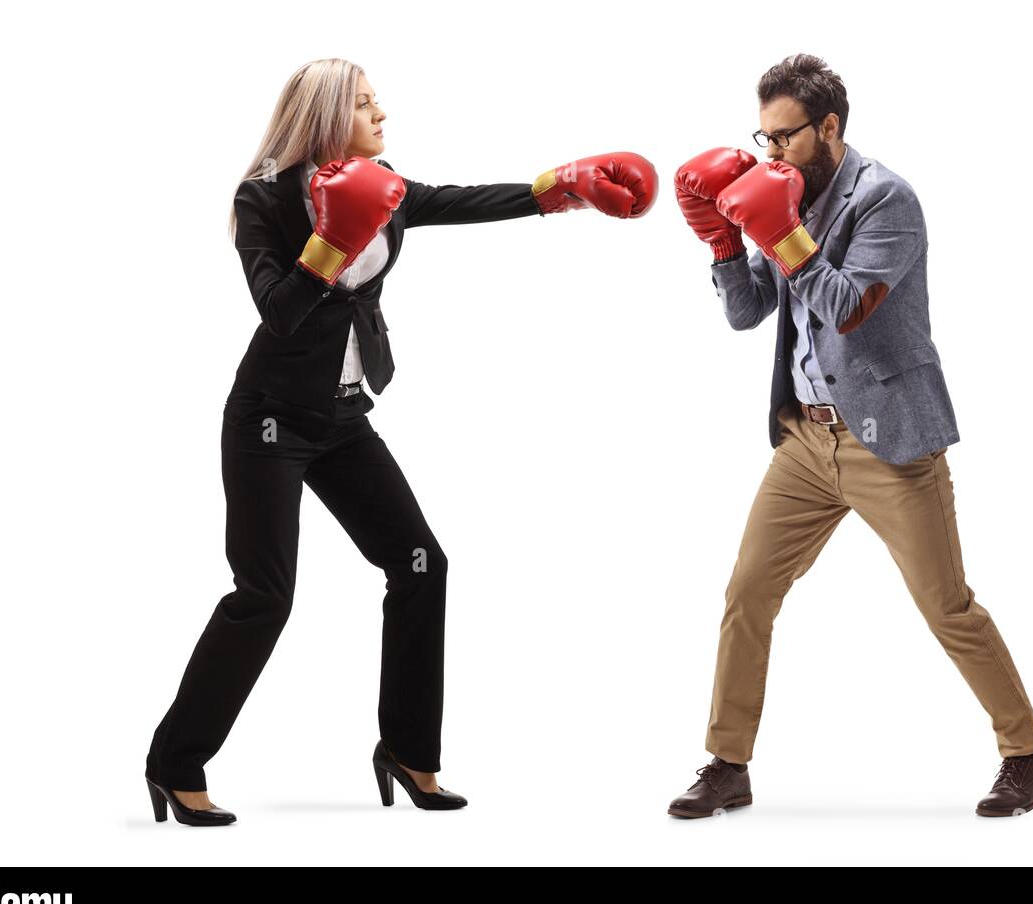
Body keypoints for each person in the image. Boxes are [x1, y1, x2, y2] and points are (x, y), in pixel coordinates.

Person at [144, 57, 657, 826]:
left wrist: (560, 188)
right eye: (363, 103)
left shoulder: (382, 185)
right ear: (325, 117)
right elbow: (278, 311)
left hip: (343, 418)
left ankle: (410, 751)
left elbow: (460, 200)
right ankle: (174, 762)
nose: (380, 113)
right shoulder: (263, 197)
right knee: (264, 596)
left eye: (376, 100)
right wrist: (330, 241)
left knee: (420, 564)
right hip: (270, 419)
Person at [668, 54, 1033, 819]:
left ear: (830, 127)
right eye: (763, 136)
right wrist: (722, 241)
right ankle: (728, 764)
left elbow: (849, 307)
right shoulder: (779, 191)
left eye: (786, 136)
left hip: (889, 437)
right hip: (806, 443)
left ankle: (1028, 755)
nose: (772, 152)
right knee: (748, 592)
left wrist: (779, 230)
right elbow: (747, 314)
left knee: (947, 606)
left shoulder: (886, 200)